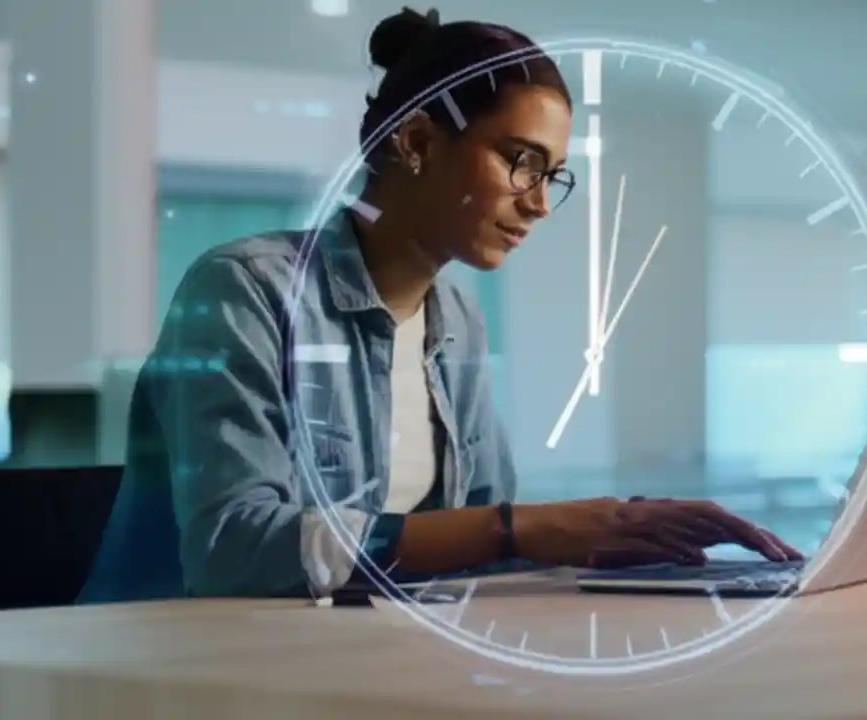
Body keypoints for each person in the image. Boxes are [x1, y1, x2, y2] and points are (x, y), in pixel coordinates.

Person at [79, 6, 800, 603]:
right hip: (176, 676)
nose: (541, 204)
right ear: (418, 140)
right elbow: (232, 550)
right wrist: (517, 529)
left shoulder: (456, 320)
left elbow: (483, 545)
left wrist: (615, 538)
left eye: (554, 175)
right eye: (520, 161)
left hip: (348, 668)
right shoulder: (246, 289)